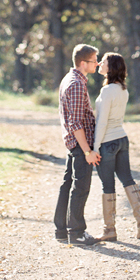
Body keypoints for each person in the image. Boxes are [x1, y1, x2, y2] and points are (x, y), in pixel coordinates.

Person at [93, 52, 140, 241]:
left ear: (112, 67)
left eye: (104, 61)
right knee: (128, 179)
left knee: (107, 184)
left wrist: (94, 147)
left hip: (107, 142)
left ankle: (110, 230)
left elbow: (101, 122)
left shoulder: (107, 91)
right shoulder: (122, 90)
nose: (100, 63)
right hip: (122, 139)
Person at [54, 43, 102, 246]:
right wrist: (87, 150)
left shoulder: (72, 79)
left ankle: (62, 230)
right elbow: (75, 122)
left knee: (68, 184)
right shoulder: (75, 84)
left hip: (73, 144)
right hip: (79, 145)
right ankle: (77, 233)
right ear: (83, 63)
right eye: (94, 61)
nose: (97, 64)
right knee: (80, 187)